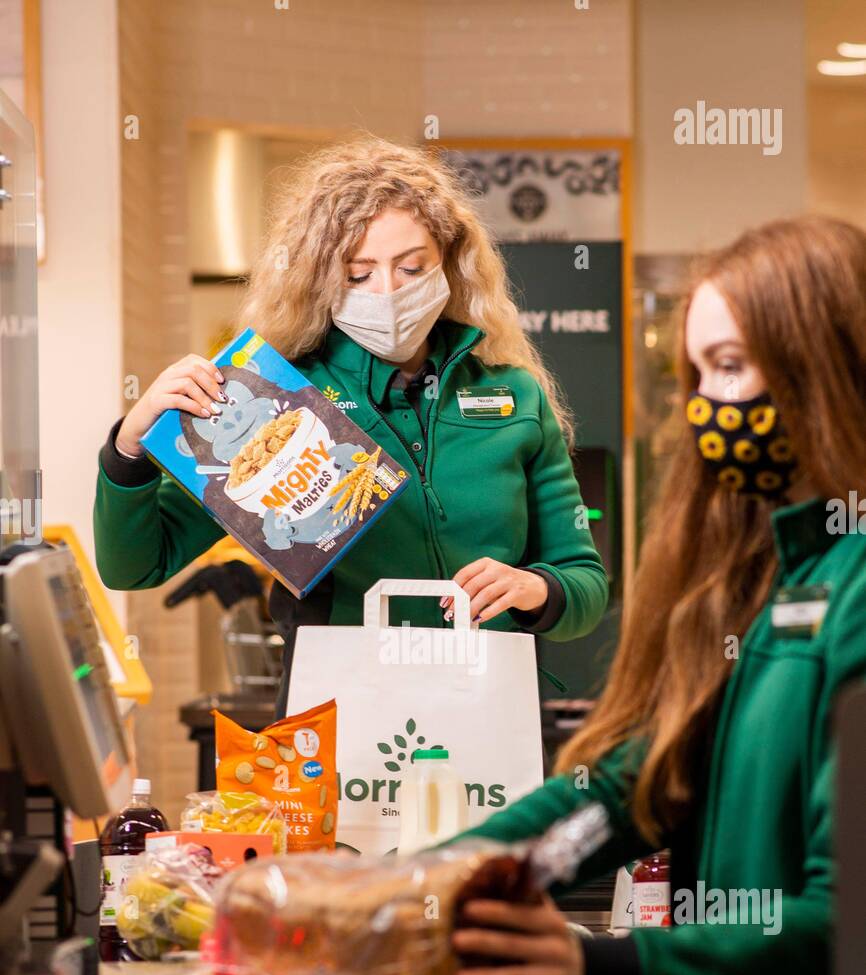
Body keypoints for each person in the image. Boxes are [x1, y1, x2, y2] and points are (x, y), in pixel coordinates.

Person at [452, 215, 866, 975]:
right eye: (697, 375)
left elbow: (847, 919)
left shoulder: (854, 585)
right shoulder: (764, 573)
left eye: (730, 366)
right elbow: (633, 788)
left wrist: (600, 973)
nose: (705, 407)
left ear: (825, 364)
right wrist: (444, 874)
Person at [93, 137, 608, 713]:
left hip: (487, 704)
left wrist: (538, 589)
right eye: (358, 275)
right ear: (321, 279)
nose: (387, 293)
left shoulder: (514, 397)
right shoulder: (279, 400)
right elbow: (134, 567)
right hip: (341, 714)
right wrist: (128, 451)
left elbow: (585, 583)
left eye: (412, 267)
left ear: (450, 262)